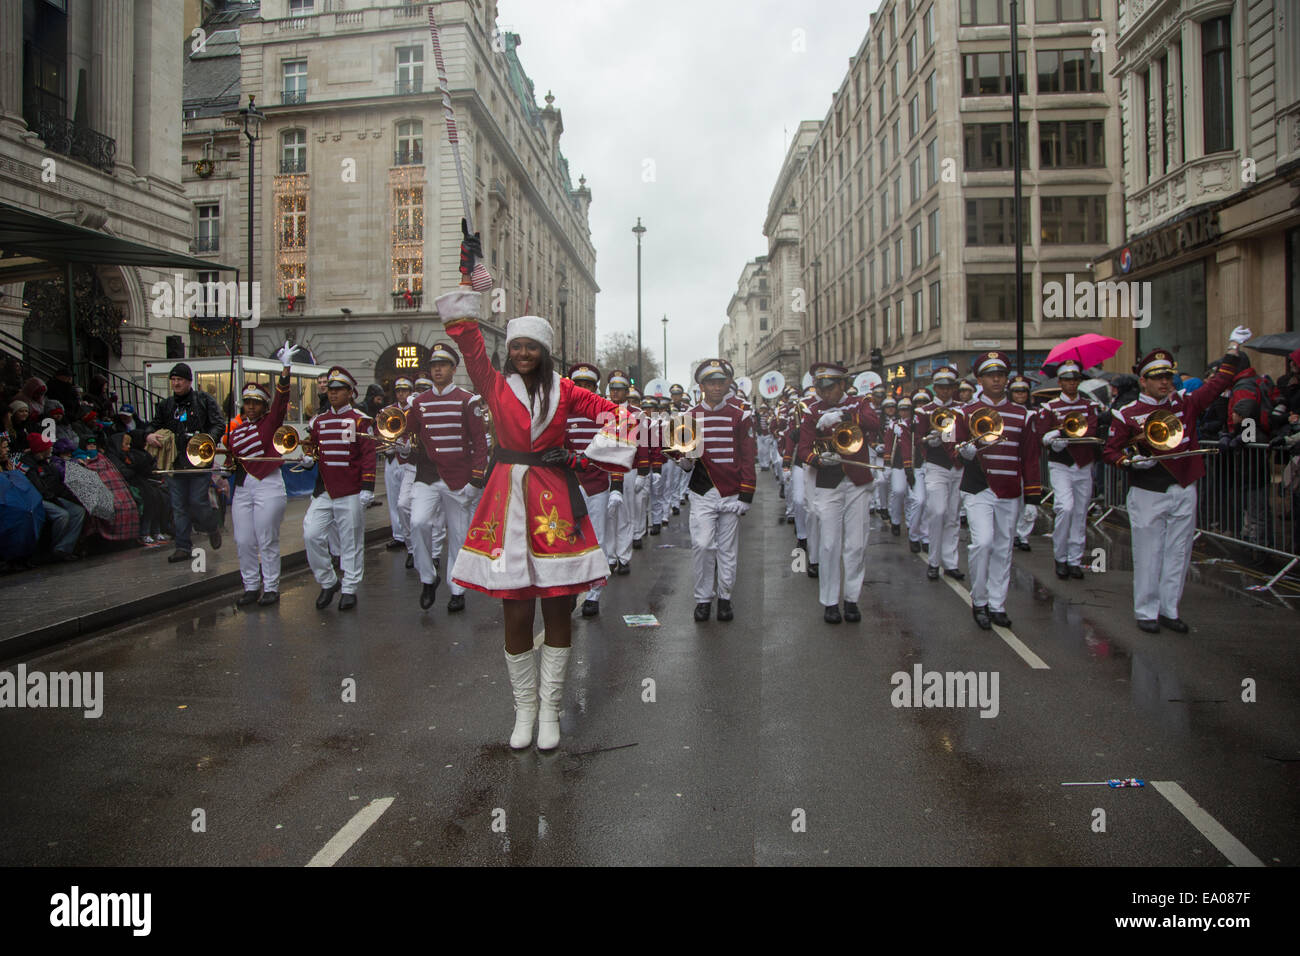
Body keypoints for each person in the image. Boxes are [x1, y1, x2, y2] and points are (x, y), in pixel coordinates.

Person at [435, 253, 636, 752]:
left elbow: (622, 417)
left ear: (545, 352)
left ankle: (551, 709)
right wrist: (467, 275)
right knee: (516, 610)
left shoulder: (567, 390)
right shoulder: (492, 382)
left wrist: (584, 457)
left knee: (559, 608)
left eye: (532, 347)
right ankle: (523, 709)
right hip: (505, 502)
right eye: (517, 346)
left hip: (556, 503)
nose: (523, 353)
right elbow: (466, 336)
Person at [1103, 328, 1250, 633]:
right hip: (1148, 491)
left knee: (1179, 552)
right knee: (1149, 552)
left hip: (1184, 487)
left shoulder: (1185, 404)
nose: (1164, 382)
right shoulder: (1127, 413)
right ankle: (1146, 610)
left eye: (1167, 376)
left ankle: (1170, 609)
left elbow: (1217, 385)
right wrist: (1132, 461)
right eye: (1157, 377)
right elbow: (1110, 452)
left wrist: (1233, 349)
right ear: (1143, 380)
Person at [953, 351, 1042, 630]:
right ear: (979, 379)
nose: (996, 379)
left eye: (1001, 374)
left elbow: (1029, 457)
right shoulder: (964, 412)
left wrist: (1033, 497)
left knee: (1004, 548)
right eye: (990, 375)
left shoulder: (1023, 414)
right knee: (983, 543)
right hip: (978, 487)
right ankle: (979, 600)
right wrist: (963, 453)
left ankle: (997, 604)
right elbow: (952, 449)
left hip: (1009, 489)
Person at [667, 359, 755, 622]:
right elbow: (684, 462)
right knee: (703, 545)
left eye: (721, 382)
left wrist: (746, 494)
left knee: (728, 550)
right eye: (711, 382)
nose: (717, 387)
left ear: (728, 383)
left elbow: (748, 457)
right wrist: (682, 458)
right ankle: (703, 597)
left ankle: (725, 597)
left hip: (731, 491)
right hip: (703, 490)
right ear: (702, 385)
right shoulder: (688, 417)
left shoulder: (740, 416)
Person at [404, 342, 489, 612]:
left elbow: (480, 443)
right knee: (417, 522)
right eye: (433, 366)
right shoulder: (419, 403)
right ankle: (428, 578)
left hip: (459, 478)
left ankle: (457, 588)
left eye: (442, 365)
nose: (437, 369)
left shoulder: (468, 400)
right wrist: (403, 447)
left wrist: (476, 480)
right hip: (427, 476)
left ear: (454, 369)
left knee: (459, 535)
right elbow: (408, 436)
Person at [797, 362, 880, 623]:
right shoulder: (812, 411)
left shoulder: (860, 403)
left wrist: (845, 418)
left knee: (856, 543)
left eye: (829, 387)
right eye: (820, 388)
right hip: (828, 481)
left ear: (842, 385)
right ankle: (830, 601)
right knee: (830, 544)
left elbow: (874, 424)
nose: (824, 393)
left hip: (856, 481)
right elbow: (803, 450)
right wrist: (819, 460)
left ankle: (852, 599)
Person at [303, 366, 376, 611]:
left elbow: (368, 455)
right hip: (324, 490)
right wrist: (307, 459)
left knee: (350, 541)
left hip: (351, 490)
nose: (332, 394)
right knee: (311, 534)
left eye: (338, 390)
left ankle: (349, 587)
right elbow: (312, 449)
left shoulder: (360, 420)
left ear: (350, 392)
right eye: (330, 390)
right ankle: (328, 581)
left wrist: (367, 486)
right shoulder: (319, 421)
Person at [228, 345, 294, 607]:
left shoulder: (270, 421)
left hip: (268, 483)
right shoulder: (236, 430)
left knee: (266, 538)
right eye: (247, 402)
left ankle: (271, 587)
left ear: (263, 405)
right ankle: (250, 585)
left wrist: (285, 370)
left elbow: (281, 399)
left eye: (256, 403)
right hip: (243, 487)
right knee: (243, 540)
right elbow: (233, 457)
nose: (251, 407)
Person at [144, 362, 226, 562]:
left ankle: (211, 526)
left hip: (199, 461)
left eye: (179, 379)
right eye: (173, 380)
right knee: (178, 505)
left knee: (197, 501)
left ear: (189, 381)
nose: (176, 383)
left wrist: (207, 441)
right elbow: (153, 426)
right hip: (175, 463)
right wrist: (149, 436)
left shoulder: (203, 400)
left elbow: (218, 424)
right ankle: (182, 546)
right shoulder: (166, 405)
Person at [1038, 360, 1107, 579]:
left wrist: (1068, 435)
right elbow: (1043, 434)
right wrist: (1051, 439)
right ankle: (1060, 557)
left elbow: (1093, 429)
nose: (1071, 384)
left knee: (1079, 512)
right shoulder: (1050, 407)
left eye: (1075, 379)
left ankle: (1074, 560)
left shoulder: (1089, 406)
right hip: (1061, 464)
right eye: (1067, 380)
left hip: (1083, 463)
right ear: (1060, 382)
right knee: (1065, 508)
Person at [565, 363, 614, 616]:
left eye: (588, 386)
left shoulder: (605, 415)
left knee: (596, 539)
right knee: (569, 539)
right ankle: (572, 588)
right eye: (579, 385)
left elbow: (616, 452)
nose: (583, 389)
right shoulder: (561, 413)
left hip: (596, 484)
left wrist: (615, 486)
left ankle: (594, 593)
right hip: (569, 484)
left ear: (595, 389)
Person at [916, 366, 965, 581]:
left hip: (958, 466)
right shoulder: (923, 411)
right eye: (941, 387)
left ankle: (951, 562)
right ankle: (934, 561)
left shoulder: (963, 409)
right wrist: (929, 438)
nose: (945, 391)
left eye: (949, 387)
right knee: (938, 512)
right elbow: (916, 439)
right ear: (934, 388)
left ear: (954, 388)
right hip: (936, 465)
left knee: (953, 515)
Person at [18, 433, 85, 561]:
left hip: (52, 496)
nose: (51, 449)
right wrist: (55, 499)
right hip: (37, 499)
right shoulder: (28, 464)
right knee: (62, 515)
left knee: (78, 512)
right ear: (41, 449)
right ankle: (51, 549)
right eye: (48, 447)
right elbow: (39, 488)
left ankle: (63, 548)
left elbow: (56, 483)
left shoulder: (47, 462)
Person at [604, 370, 642, 575]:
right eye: (612, 389)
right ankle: (610, 556)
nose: (615, 393)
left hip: (628, 468)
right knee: (608, 514)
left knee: (626, 513)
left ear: (627, 391)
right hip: (607, 468)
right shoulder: (602, 411)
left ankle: (624, 557)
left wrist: (644, 472)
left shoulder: (637, 413)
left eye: (619, 389)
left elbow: (643, 444)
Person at [107, 431, 166, 544]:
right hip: (127, 485)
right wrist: (136, 468)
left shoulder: (129, 454)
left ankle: (156, 530)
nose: (129, 447)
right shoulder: (113, 456)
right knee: (148, 498)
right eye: (126, 444)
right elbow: (123, 472)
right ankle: (144, 532)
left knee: (157, 497)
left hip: (139, 481)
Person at [383, 377, 416, 556]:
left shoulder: (415, 409)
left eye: (404, 390)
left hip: (409, 460)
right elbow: (379, 430)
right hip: (392, 458)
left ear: (410, 392)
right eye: (398, 391)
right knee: (394, 498)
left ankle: (410, 533)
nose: (401, 394)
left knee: (407, 501)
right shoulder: (388, 411)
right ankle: (399, 535)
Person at [1009, 376, 1039, 551]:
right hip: (1012, 461)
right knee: (1013, 501)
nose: (1020, 394)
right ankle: (1013, 534)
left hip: (1029, 460)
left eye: (1023, 391)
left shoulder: (1035, 413)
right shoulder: (1007, 412)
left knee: (1029, 502)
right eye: (1016, 391)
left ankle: (1024, 535)